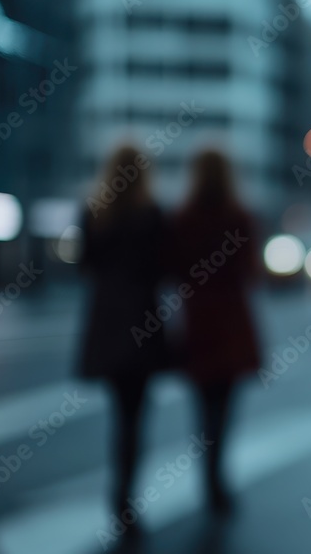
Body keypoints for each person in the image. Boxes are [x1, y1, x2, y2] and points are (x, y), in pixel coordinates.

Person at [78, 145, 166, 541]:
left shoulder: (95, 214)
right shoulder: (152, 216)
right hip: (142, 324)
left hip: (106, 321)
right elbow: (163, 269)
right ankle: (126, 497)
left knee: (120, 413)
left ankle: (120, 495)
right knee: (135, 415)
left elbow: (84, 265)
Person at [171, 149, 262, 512]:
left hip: (198, 321)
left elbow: (172, 267)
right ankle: (217, 482)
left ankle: (209, 477)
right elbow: (250, 270)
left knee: (202, 407)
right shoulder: (239, 217)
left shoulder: (184, 217)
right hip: (231, 324)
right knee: (224, 409)